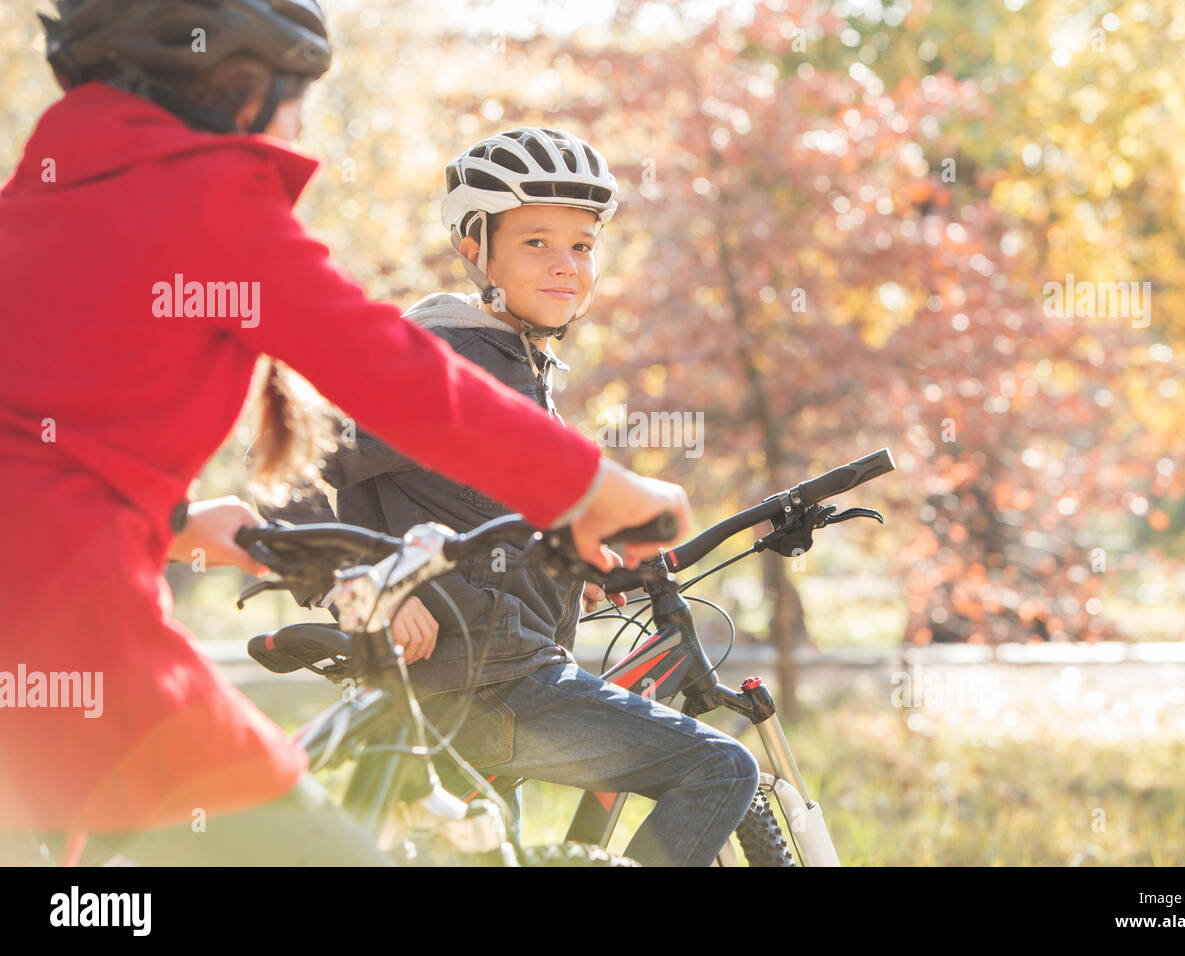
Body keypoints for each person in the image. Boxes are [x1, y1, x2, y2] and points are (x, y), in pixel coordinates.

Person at [0, 0, 687, 865]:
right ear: (241, 90)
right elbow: (384, 367)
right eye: (300, 100)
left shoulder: (45, 198)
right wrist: (598, 490)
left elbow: (44, 425)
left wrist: (172, 523)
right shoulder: (199, 188)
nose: (303, 132)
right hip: (69, 635)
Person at [274, 129, 759, 867]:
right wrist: (359, 584)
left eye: (583, 246)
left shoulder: (515, 361)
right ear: (475, 247)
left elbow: (464, 504)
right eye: (537, 242)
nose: (566, 264)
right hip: (493, 680)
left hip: (490, 672)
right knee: (720, 767)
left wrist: (566, 562)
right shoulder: (452, 359)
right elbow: (290, 461)